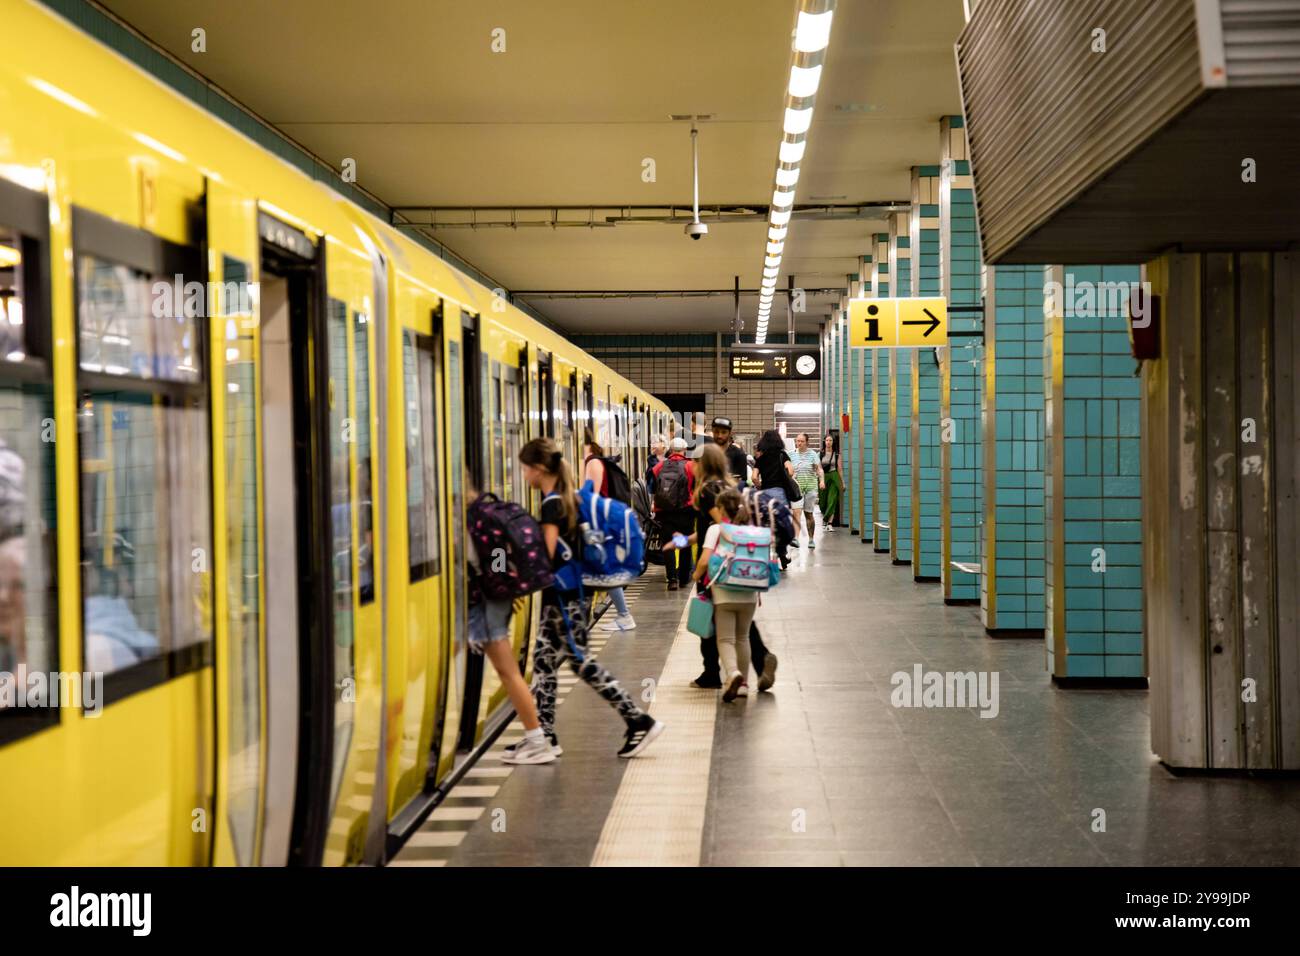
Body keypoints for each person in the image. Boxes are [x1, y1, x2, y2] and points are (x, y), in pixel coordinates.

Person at [516, 437, 665, 758]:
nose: (523, 475)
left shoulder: (552, 504)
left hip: (563, 595)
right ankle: (544, 737)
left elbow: (549, 555)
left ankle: (638, 720)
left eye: (525, 468)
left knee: (580, 662)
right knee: (544, 660)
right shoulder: (567, 498)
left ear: (540, 469)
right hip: (571, 593)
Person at [663, 455, 778, 693]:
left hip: (718, 571)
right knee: (740, 628)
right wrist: (683, 541)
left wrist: (697, 574)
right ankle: (752, 667)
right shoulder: (727, 486)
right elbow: (710, 531)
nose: (691, 465)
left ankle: (715, 673)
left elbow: (722, 529)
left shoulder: (707, 491)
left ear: (702, 464)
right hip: (741, 574)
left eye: (694, 461)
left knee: (712, 621)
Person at [466, 473, 555, 765]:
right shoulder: (485, 512)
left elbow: (495, 557)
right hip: (494, 598)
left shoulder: (474, 518)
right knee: (508, 672)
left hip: (489, 602)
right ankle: (536, 738)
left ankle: (537, 741)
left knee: (508, 673)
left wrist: (501, 587)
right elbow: (499, 556)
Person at [692, 488, 761, 703]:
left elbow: (704, 561)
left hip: (724, 592)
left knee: (725, 639)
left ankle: (733, 674)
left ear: (721, 508)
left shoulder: (717, 530)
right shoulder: (752, 530)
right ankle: (744, 685)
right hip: (749, 591)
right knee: (743, 637)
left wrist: (696, 575)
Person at [583, 431, 635, 632]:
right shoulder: (594, 461)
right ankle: (622, 615)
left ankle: (624, 615)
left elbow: (593, 498)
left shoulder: (592, 462)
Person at [652, 436, 696, 591]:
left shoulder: (659, 467)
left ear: (670, 450)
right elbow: (695, 487)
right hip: (686, 510)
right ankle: (684, 578)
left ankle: (672, 579)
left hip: (664, 511)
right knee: (684, 543)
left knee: (668, 544)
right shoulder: (690, 466)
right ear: (684, 450)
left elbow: (652, 487)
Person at [789, 433, 825, 549]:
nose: (799, 443)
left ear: (807, 442)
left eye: (801, 441)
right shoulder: (791, 454)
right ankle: (795, 538)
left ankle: (811, 539)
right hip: (797, 489)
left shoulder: (813, 454)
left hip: (810, 487)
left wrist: (822, 481)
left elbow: (819, 469)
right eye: (797, 441)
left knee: (808, 514)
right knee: (796, 513)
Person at [710, 417, 750, 487]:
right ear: (712, 431)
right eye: (716, 431)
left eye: (723, 432)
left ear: (730, 433)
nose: (719, 435)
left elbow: (742, 483)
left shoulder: (739, 455)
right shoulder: (706, 453)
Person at [819, 431, 842, 532]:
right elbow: (817, 468)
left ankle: (829, 523)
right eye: (827, 440)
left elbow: (840, 469)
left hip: (834, 477)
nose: (828, 442)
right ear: (824, 442)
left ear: (833, 442)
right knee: (823, 502)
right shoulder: (820, 454)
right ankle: (825, 518)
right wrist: (821, 480)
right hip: (823, 477)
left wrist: (843, 482)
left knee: (832, 500)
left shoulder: (837, 454)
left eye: (830, 440)